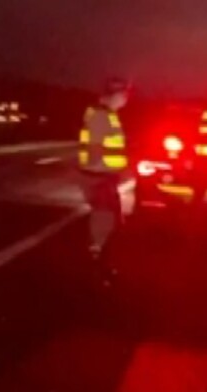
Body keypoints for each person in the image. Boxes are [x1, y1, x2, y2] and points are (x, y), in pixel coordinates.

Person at [78, 77, 132, 260]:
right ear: (114, 95)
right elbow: (95, 149)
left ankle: (101, 257)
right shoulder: (101, 115)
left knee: (110, 222)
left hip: (104, 178)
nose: (126, 98)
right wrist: (99, 179)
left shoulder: (108, 114)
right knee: (104, 222)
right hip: (100, 178)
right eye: (124, 94)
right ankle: (96, 260)